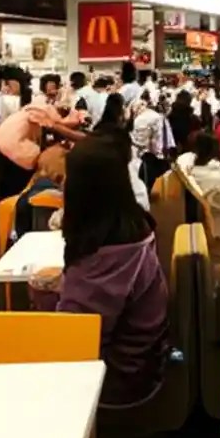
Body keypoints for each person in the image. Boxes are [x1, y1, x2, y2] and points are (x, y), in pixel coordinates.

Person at [53, 138, 169, 407]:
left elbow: (76, 339)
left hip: (117, 380)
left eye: (68, 178)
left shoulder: (106, 259)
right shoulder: (133, 228)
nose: (62, 185)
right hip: (141, 364)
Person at [0, 104, 45, 201]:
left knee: (0, 190)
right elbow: (55, 125)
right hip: (18, 155)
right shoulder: (40, 112)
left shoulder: (19, 114)